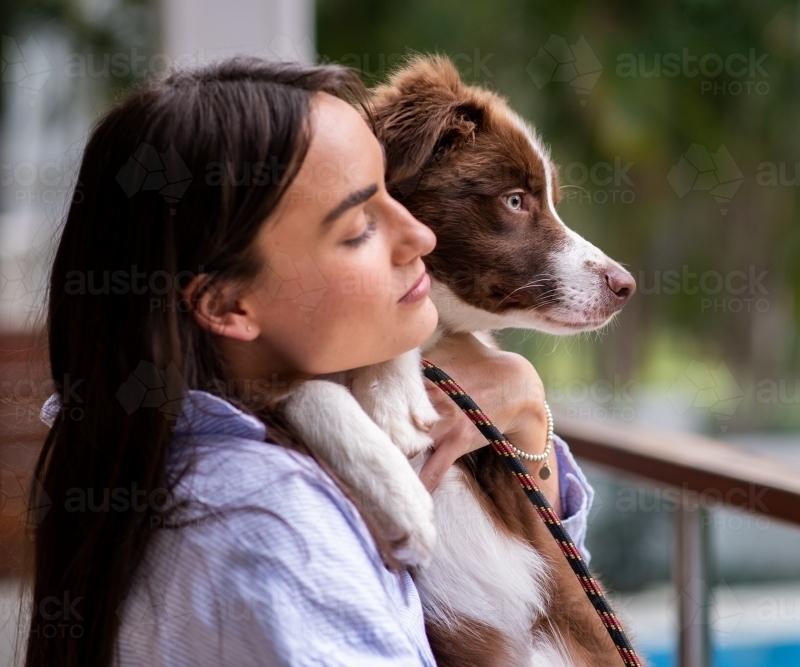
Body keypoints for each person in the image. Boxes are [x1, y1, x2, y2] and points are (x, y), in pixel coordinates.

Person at [26, 57, 594, 666]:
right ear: (225, 303)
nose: (421, 236)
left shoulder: (147, 436)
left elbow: (548, 606)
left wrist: (527, 409)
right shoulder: (276, 526)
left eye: (390, 192)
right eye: (357, 227)